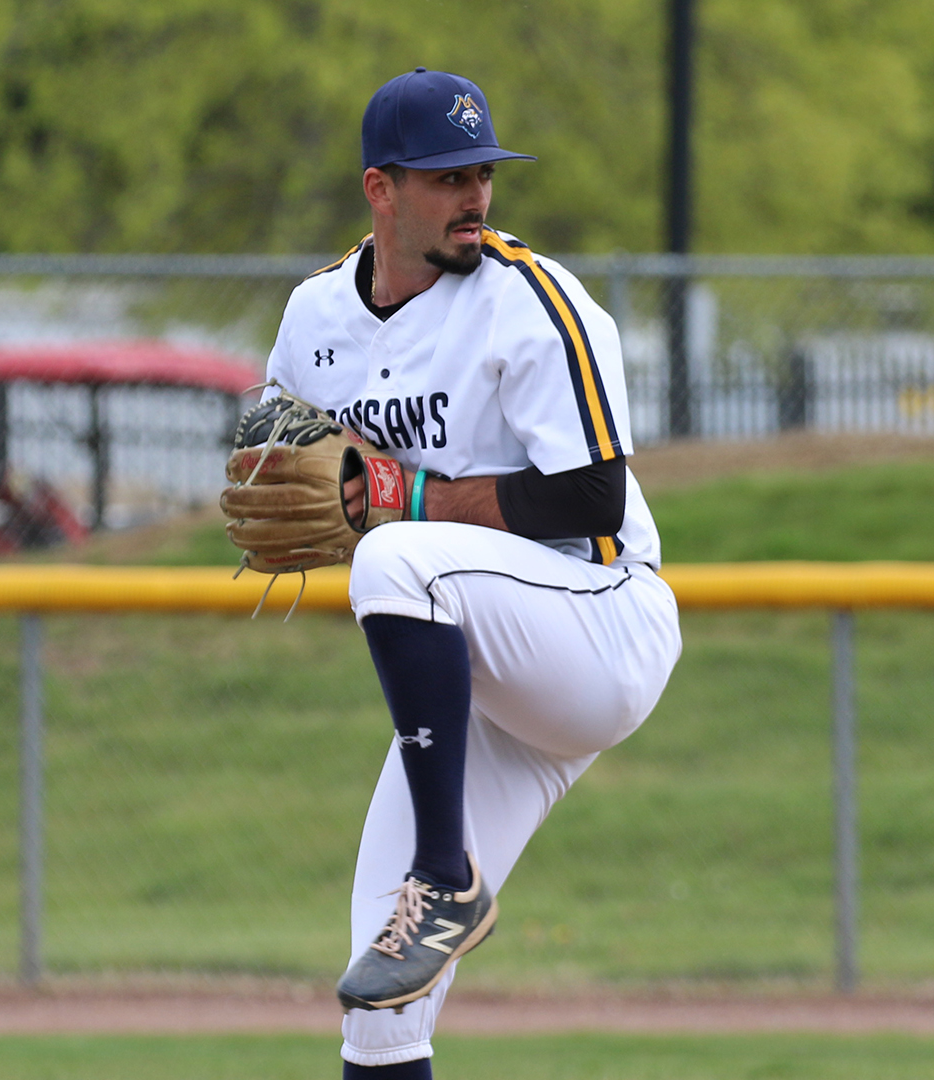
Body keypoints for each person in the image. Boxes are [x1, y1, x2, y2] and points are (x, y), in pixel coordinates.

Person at [254, 69, 681, 1077]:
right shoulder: (318, 316)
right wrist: (283, 480)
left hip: (601, 622)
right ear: (382, 189)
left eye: (482, 170)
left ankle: (446, 875)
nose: (475, 195)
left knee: (403, 557)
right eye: (446, 176)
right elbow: (272, 454)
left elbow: (593, 501)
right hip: (488, 683)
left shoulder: (530, 302)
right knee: (381, 1005)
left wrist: (402, 503)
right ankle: (433, 894)